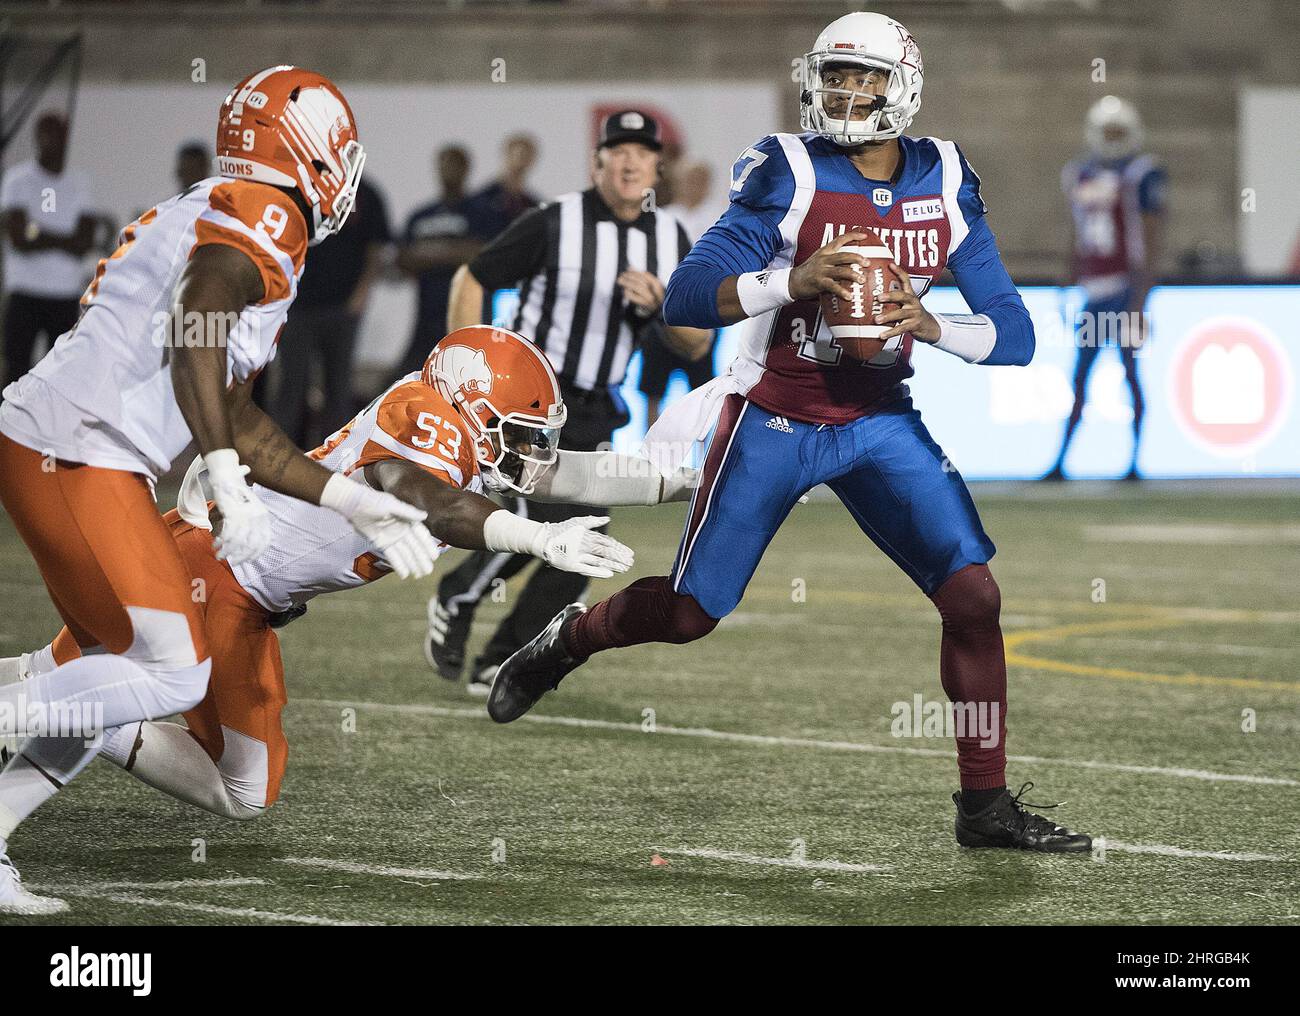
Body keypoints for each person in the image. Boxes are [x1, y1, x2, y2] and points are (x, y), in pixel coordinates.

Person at [487, 12, 1094, 855]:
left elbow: (1015, 335)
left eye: (864, 78)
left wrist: (931, 323)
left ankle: (984, 809)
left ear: (903, 87)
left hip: (879, 418)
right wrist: (790, 278)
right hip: (777, 413)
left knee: (974, 598)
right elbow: (688, 294)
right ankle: (571, 638)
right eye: (835, 76)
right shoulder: (790, 169)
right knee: (693, 612)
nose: (845, 92)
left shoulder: (945, 176)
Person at [0, 329, 699, 911]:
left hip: (227, 578)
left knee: (74, 682)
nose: (528, 452)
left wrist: (688, 478)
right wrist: (539, 539)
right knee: (237, 783)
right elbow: (420, 494)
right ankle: (76, 724)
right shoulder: (425, 417)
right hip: (221, 580)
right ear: (470, 405)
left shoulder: (463, 432)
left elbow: (568, 475)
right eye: (518, 434)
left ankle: (74, 708)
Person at [0, 67, 439, 914]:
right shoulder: (268, 214)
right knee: (172, 673)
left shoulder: (229, 203)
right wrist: (225, 479)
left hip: (69, 445)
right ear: (306, 151)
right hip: (76, 450)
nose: (345, 172)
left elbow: (237, 415)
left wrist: (352, 499)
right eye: (339, 153)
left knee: (117, 670)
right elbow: (196, 318)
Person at [424, 110, 712, 696]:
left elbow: (697, 339)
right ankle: (462, 594)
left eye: (642, 152)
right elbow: (473, 276)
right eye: (618, 151)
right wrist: (456, 375)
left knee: (589, 543)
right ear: (598, 161)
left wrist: (662, 306)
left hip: (599, 404)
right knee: (554, 523)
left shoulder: (670, 237)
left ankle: (497, 658)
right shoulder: (557, 220)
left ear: (659, 165)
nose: (631, 162)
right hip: (529, 404)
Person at [1046, 96, 1165, 481]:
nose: (1113, 139)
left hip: (1123, 290)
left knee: (1129, 373)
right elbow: (1076, 233)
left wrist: (1139, 299)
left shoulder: (1142, 173)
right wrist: (1068, 282)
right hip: (1093, 293)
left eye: (1119, 132)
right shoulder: (1078, 173)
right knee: (1080, 376)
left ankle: (1135, 462)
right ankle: (1062, 462)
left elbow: (1151, 238)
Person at [270, 176, 391, 447]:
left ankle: (337, 460)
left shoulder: (366, 194)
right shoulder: (298, 190)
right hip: (298, 307)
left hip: (342, 307)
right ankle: (278, 460)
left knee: (338, 388)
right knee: (291, 386)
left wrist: (361, 295)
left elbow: (376, 248)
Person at [0, 112, 96, 386]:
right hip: (24, 293)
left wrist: (38, 231)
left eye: (58, 134)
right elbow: (19, 239)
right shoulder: (17, 180)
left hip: (64, 295)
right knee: (15, 371)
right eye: (46, 134)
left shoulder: (79, 183)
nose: (52, 141)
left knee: (60, 374)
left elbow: (84, 244)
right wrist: (65, 239)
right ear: (37, 138)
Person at [393, 146, 495, 378]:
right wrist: (454, 251)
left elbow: (483, 254)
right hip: (426, 315)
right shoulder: (421, 215)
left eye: (453, 164)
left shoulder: (482, 213)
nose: (447, 170)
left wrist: (430, 253)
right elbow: (403, 258)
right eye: (442, 164)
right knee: (410, 377)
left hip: (469, 313)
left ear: (466, 168)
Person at [640, 160, 720, 429]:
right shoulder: (662, 218)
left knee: (703, 389)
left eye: (701, 180)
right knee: (653, 387)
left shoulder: (720, 219)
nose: (695, 186)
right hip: (661, 310)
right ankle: (649, 455)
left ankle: (701, 460)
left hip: (701, 313)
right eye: (690, 179)